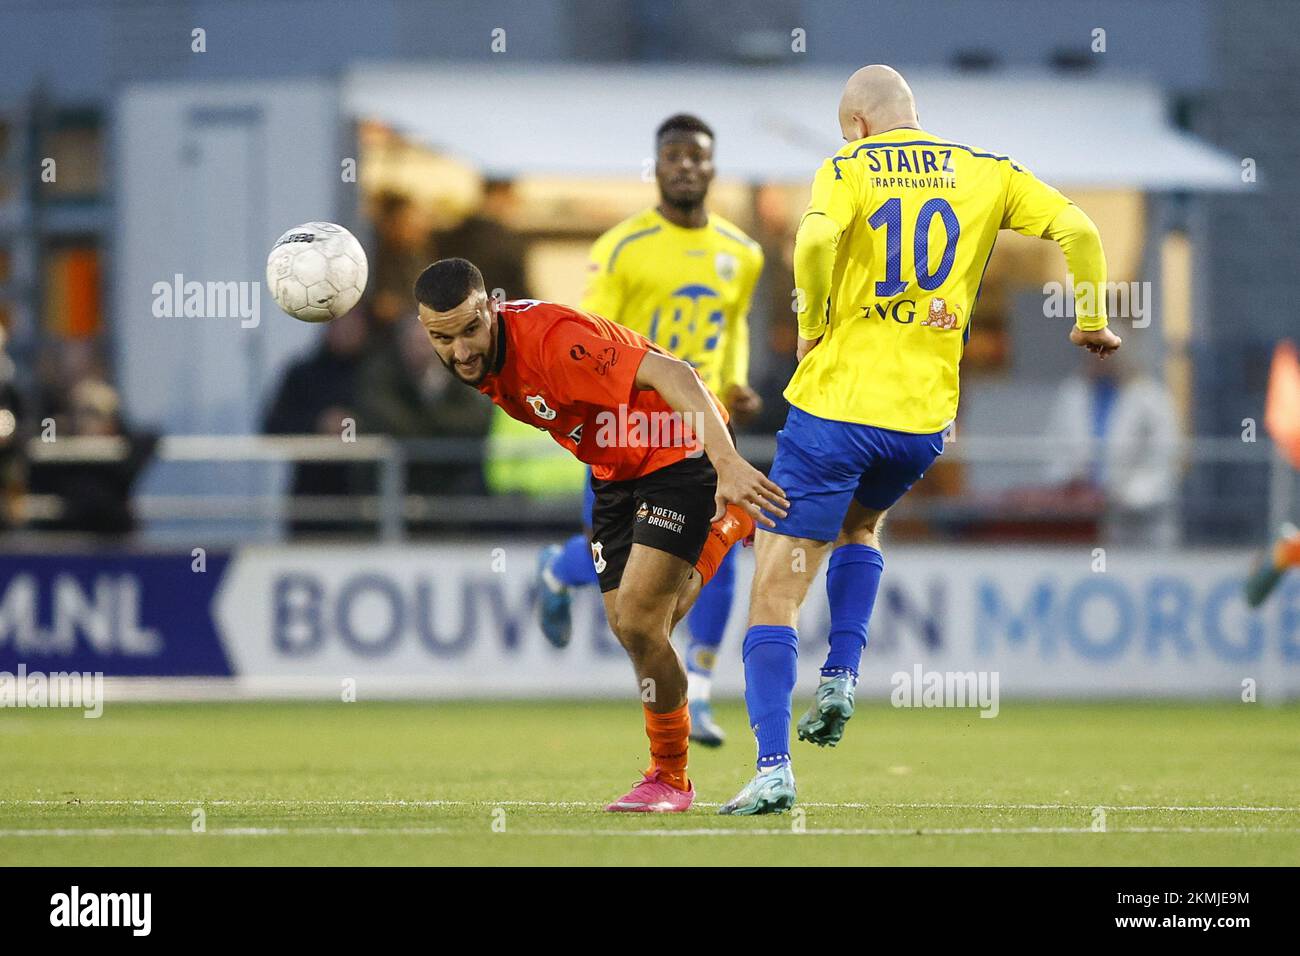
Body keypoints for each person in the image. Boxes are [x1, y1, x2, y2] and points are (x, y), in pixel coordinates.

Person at [720, 64, 1121, 815]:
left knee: (773, 594)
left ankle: (773, 766)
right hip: (921, 424)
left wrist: (810, 331)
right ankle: (841, 673)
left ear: (859, 125)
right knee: (861, 524)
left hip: (837, 411)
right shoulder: (984, 171)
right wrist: (1090, 318)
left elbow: (810, 244)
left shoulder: (847, 167)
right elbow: (1080, 227)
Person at [413, 257, 786, 812]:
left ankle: (670, 779)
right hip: (614, 469)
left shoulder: (554, 341)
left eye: (471, 328)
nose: (462, 349)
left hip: (676, 447)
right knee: (639, 628)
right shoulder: (476, 359)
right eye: (444, 338)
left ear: (492, 305)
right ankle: (730, 525)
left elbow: (675, 374)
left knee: (640, 619)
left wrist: (727, 462)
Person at [534, 114, 765, 748]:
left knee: (714, 556)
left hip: (703, 432)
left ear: (713, 168)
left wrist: (734, 383)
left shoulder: (743, 253)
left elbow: (733, 322)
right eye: (674, 155)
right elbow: (592, 341)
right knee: (632, 566)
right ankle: (559, 568)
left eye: (698, 155)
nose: (687, 165)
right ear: (657, 166)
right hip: (627, 434)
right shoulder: (621, 248)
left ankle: (704, 691)